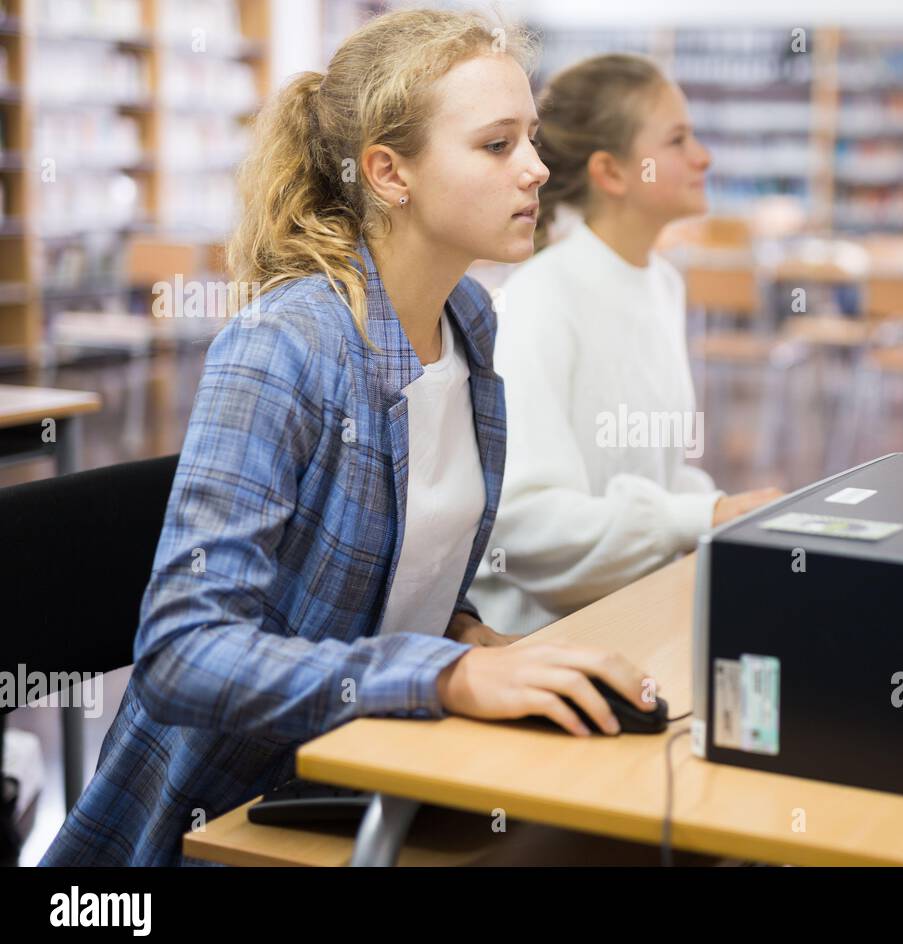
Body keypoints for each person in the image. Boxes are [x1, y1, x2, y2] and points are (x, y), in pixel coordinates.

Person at [41, 9, 659, 868]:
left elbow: (401, 566)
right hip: (228, 816)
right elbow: (184, 655)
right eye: (496, 146)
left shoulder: (468, 321)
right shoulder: (285, 348)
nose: (537, 170)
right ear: (388, 173)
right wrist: (444, 677)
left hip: (377, 767)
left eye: (533, 139)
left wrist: (468, 638)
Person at [470, 54, 783, 636]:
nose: (704, 157)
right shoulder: (544, 298)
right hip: (549, 633)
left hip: (638, 600)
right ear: (613, 174)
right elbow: (528, 525)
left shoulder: (661, 282)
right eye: (677, 140)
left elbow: (658, 473)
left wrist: (731, 515)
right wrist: (700, 515)